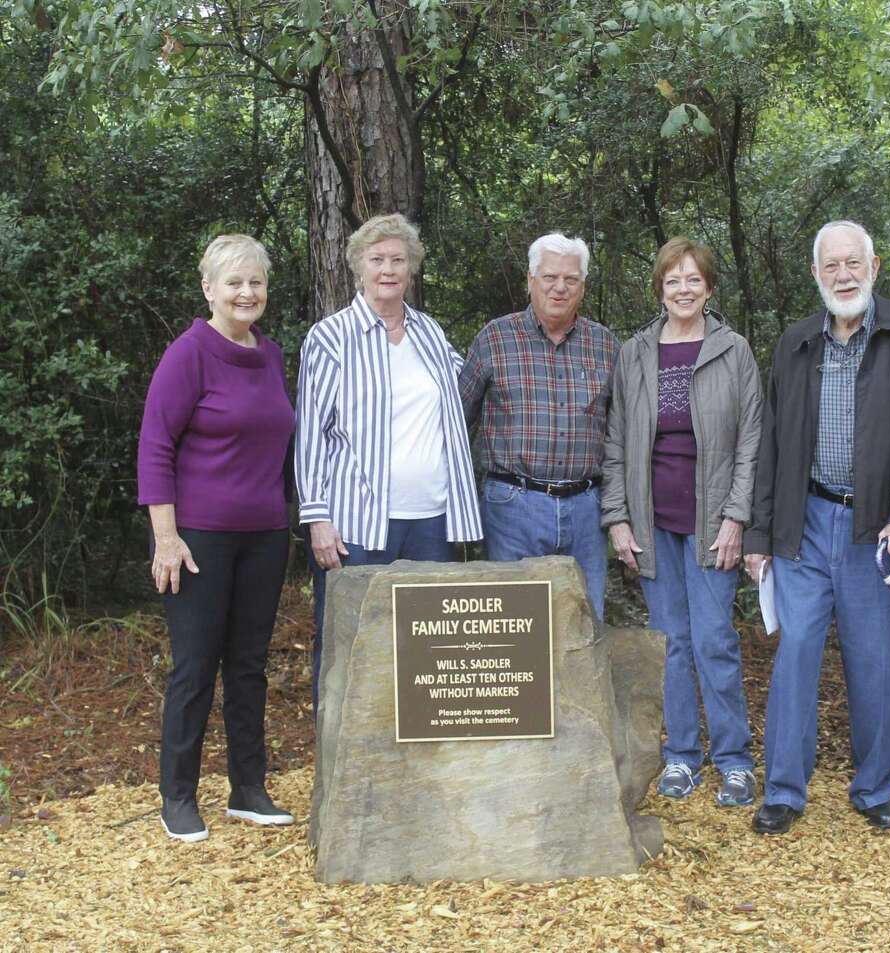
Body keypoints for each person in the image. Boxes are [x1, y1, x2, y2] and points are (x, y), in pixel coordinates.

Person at [744, 220, 890, 836]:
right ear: (815, 274)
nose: (843, 274)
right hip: (805, 522)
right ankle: (783, 790)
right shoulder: (796, 342)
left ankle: (875, 786)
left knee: (880, 660)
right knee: (796, 654)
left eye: (853, 262)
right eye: (831, 265)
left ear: (874, 266)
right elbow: (773, 442)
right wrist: (760, 532)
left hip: (877, 528)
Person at [137, 234, 295, 842]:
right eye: (234, 283)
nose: (246, 293)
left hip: (264, 535)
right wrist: (166, 537)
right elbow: (155, 445)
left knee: (250, 665)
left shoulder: (272, 354)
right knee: (196, 667)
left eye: (255, 282)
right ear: (209, 289)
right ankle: (177, 794)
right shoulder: (189, 354)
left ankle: (248, 789)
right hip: (198, 538)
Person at [295, 213, 482, 711]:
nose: (388, 269)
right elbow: (311, 434)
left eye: (398, 260)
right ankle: (340, 759)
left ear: (411, 269)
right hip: (358, 525)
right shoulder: (330, 338)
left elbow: (466, 393)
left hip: (432, 520)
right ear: (359, 267)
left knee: (427, 651)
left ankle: (414, 762)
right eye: (377, 259)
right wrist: (317, 518)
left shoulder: (430, 334)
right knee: (351, 645)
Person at [601, 238, 761, 806]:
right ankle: (681, 757)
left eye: (694, 279)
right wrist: (618, 519)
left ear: (709, 288)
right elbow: (618, 440)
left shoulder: (733, 350)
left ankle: (735, 760)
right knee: (670, 643)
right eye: (674, 280)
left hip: (712, 522)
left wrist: (736, 517)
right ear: (660, 289)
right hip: (652, 523)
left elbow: (749, 443)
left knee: (716, 640)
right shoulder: (637, 352)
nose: (684, 289)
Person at [459, 233, 619, 619]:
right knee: (512, 630)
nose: (559, 288)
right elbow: (458, 423)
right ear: (530, 279)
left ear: (582, 286)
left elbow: (621, 436)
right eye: (549, 277)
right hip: (513, 506)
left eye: (571, 279)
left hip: (586, 510)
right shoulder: (495, 339)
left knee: (584, 624)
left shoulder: (606, 346)